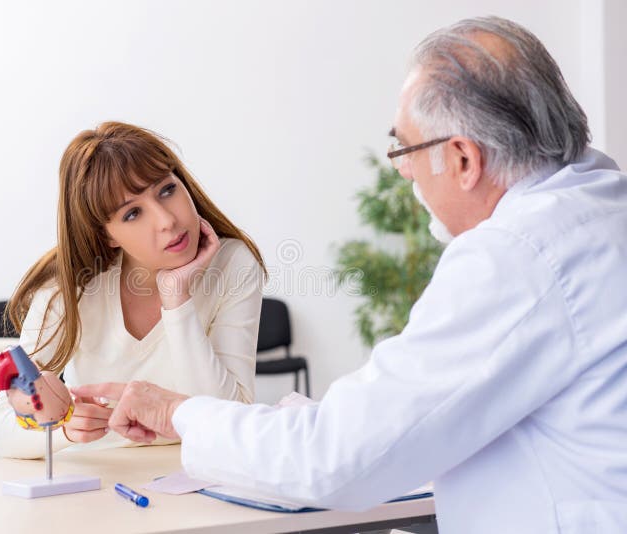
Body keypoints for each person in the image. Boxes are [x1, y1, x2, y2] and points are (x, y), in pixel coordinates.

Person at [73, 17, 627, 534]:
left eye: (406, 148)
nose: (404, 168)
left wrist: (176, 413)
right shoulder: (598, 205)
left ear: (462, 159)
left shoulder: (518, 257)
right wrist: (322, 421)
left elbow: (336, 460)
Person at [0, 121, 266, 458]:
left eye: (166, 190)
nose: (166, 220)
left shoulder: (233, 264)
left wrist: (176, 299)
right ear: (107, 235)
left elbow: (228, 422)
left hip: (192, 482)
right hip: (97, 485)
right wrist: (65, 430)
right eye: (132, 213)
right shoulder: (69, 287)